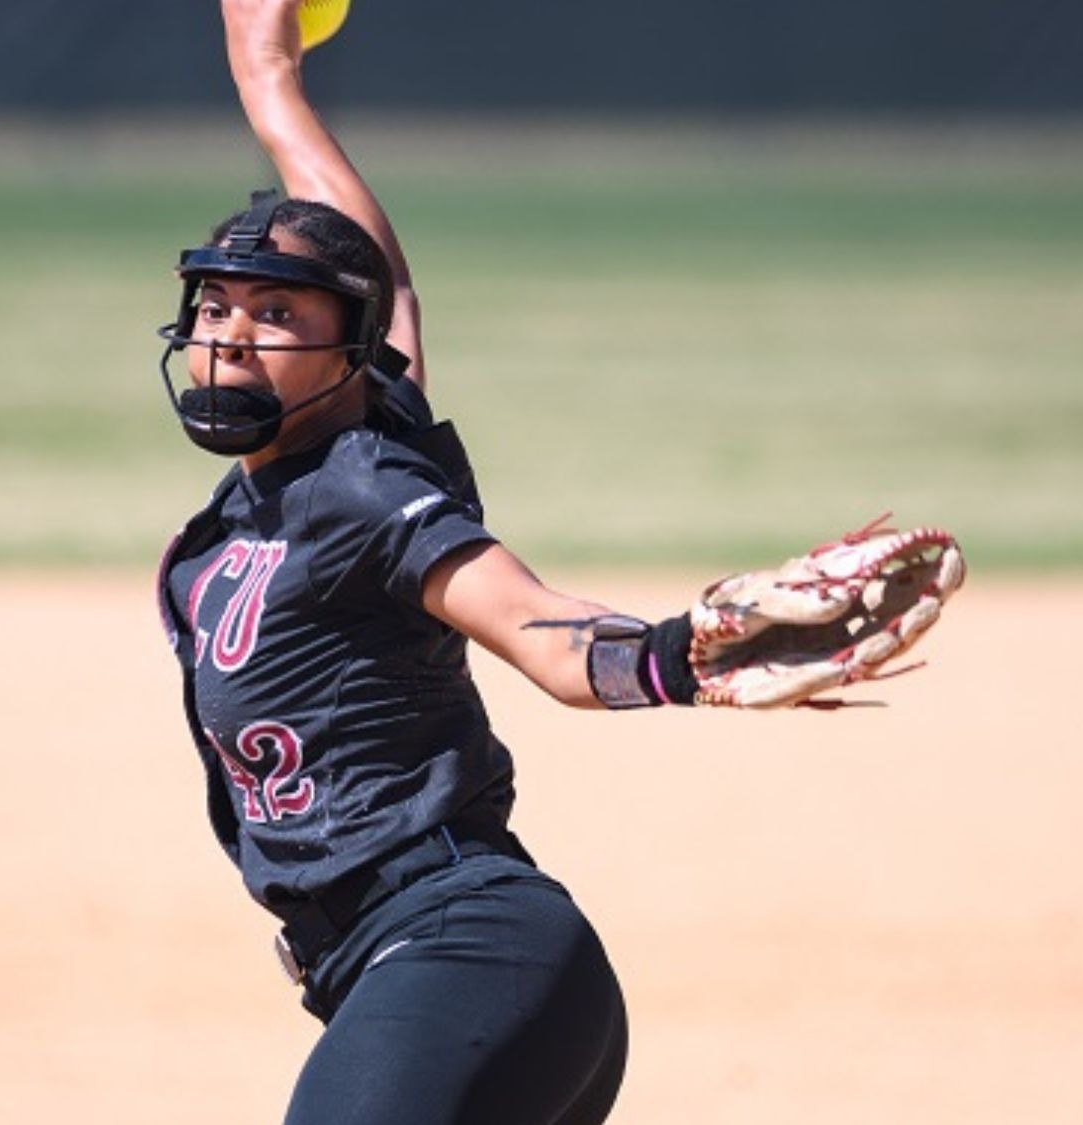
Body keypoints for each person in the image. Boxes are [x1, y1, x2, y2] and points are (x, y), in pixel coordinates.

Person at [152, 3, 701, 1121]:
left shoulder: (365, 486)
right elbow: (383, 286)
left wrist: (683, 655)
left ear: (342, 351)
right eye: (214, 305)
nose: (229, 335)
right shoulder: (246, 507)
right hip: (429, 975)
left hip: (463, 953)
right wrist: (269, 78)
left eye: (274, 312)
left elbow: (536, 630)